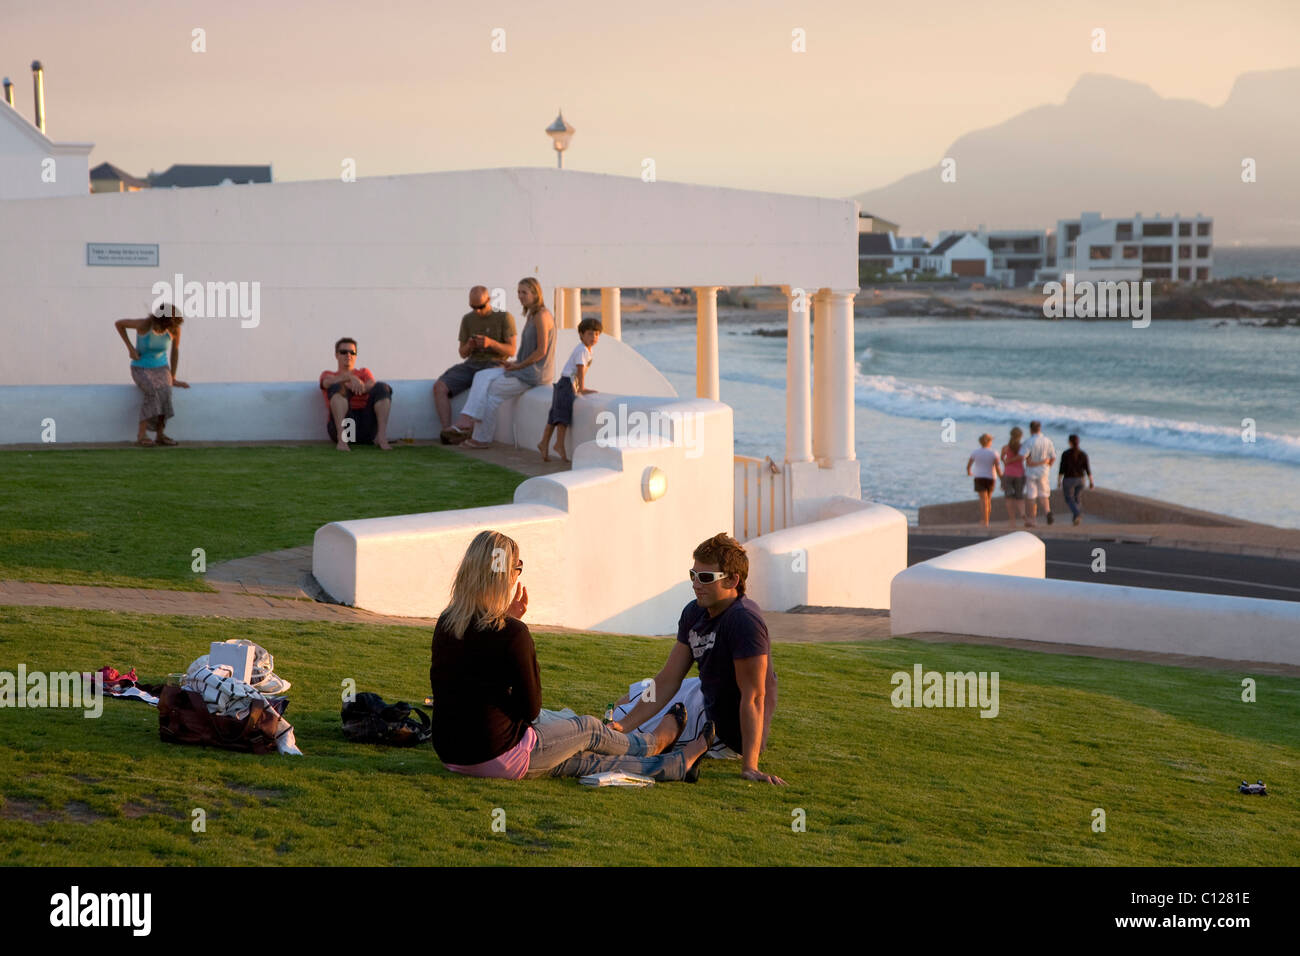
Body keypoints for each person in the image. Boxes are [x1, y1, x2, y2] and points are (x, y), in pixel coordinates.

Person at [428, 530, 713, 782]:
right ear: (504, 576)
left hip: (452, 753)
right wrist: (517, 632)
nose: (518, 575)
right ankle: (651, 743)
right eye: (518, 567)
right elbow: (530, 710)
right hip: (498, 754)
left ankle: (675, 765)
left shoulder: (448, 621)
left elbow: (468, 677)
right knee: (587, 728)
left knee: (583, 757)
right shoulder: (513, 634)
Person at [608, 532, 785, 785]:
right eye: (693, 575)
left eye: (705, 577)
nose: (695, 584)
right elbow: (668, 679)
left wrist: (750, 765)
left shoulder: (744, 620)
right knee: (628, 704)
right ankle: (620, 723)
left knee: (622, 735)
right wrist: (624, 723)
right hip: (704, 692)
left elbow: (755, 697)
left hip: (723, 725)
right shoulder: (694, 612)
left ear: (733, 580)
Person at [447, 278, 556, 450]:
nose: (520, 296)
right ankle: (467, 418)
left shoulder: (542, 316)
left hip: (533, 374)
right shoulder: (532, 315)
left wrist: (518, 366)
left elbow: (541, 351)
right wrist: (514, 363)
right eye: (518, 292)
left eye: (524, 292)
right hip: (522, 368)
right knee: (482, 375)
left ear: (535, 294)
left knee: (491, 393)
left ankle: (481, 438)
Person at [435, 286, 517, 442]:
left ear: (489, 300)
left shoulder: (504, 317)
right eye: (473, 307)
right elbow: (462, 352)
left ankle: (466, 428)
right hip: (472, 362)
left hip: (495, 363)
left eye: (480, 307)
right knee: (439, 387)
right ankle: (447, 431)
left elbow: (512, 350)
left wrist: (490, 343)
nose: (477, 311)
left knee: (481, 379)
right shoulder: (467, 319)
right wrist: (470, 346)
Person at [114, 303, 189, 446]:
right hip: (140, 367)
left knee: (166, 391)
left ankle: (160, 435)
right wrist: (130, 348)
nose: (171, 326)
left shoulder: (173, 329)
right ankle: (141, 435)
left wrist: (172, 377)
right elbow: (119, 324)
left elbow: (175, 351)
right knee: (152, 391)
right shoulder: (144, 325)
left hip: (162, 367)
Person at [538, 317, 601, 462]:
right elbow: (580, 368)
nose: (594, 337)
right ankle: (559, 444)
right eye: (590, 334)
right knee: (562, 417)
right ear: (581, 334)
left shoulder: (586, 350)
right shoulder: (582, 350)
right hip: (566, 384)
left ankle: (543, 443)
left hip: (564, 383)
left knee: (554, 416)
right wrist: (582, 388)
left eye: (597, 334)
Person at [318, 337, 393, 451]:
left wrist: (360, 387)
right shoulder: (329, 374)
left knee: (382, 387)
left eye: (352, 352)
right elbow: (326, 383)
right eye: (344, 352)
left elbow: (372, 384)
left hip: (366, 429)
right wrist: (350, 378)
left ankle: (381, 438)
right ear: (336, 355)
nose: (348, 355)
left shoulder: (364, 372)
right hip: (346, 427)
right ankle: (342, 441)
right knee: (337, 387)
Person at [1023, 420, 1057, 528]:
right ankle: (1047, 512)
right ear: (1040, 429)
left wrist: (1033, 462)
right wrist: (1047, 465)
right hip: (1043, 471)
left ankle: (1033, 519)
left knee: (1032, 496)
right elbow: (1053, 457)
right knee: (1044, 494)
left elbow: (1024, 456)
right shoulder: (1048, 441)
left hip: (1031, 471)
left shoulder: (1029, 441)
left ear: (1030, 429)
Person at [966, 433, 1002, 527]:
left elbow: (969, 465)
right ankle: (987, 519)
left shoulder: (975, 452)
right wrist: (1002, 478)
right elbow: (998, 467)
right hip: (991, 477)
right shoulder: (994, 453)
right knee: (988, 499)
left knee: (983, 500)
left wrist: (969, 472)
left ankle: (984, 520)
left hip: (979, 477)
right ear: (989, 442)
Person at [1058, 433, 1095, 526]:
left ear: (1070, 442)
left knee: (1069, 499)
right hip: (1081, 480)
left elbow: (1061, 469)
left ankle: (1077, 514)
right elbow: (1087, 469)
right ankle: (1076, 518)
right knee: (1077, 498)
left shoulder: (1065, 454)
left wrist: (1059, 481)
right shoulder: (1083, 454)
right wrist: (1091, 481)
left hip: (1069, 479)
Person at [1000, 426, 1027, 528]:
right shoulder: (1022, 448)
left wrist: (1007, 462)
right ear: (1020, 436)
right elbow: (1023, 457)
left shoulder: (1005, 447)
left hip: (1008, 474)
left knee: (1009, 497)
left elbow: (1002, 458)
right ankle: (1023, 515)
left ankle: (1012, 521)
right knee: (1019, 497)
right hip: (1020, 474)